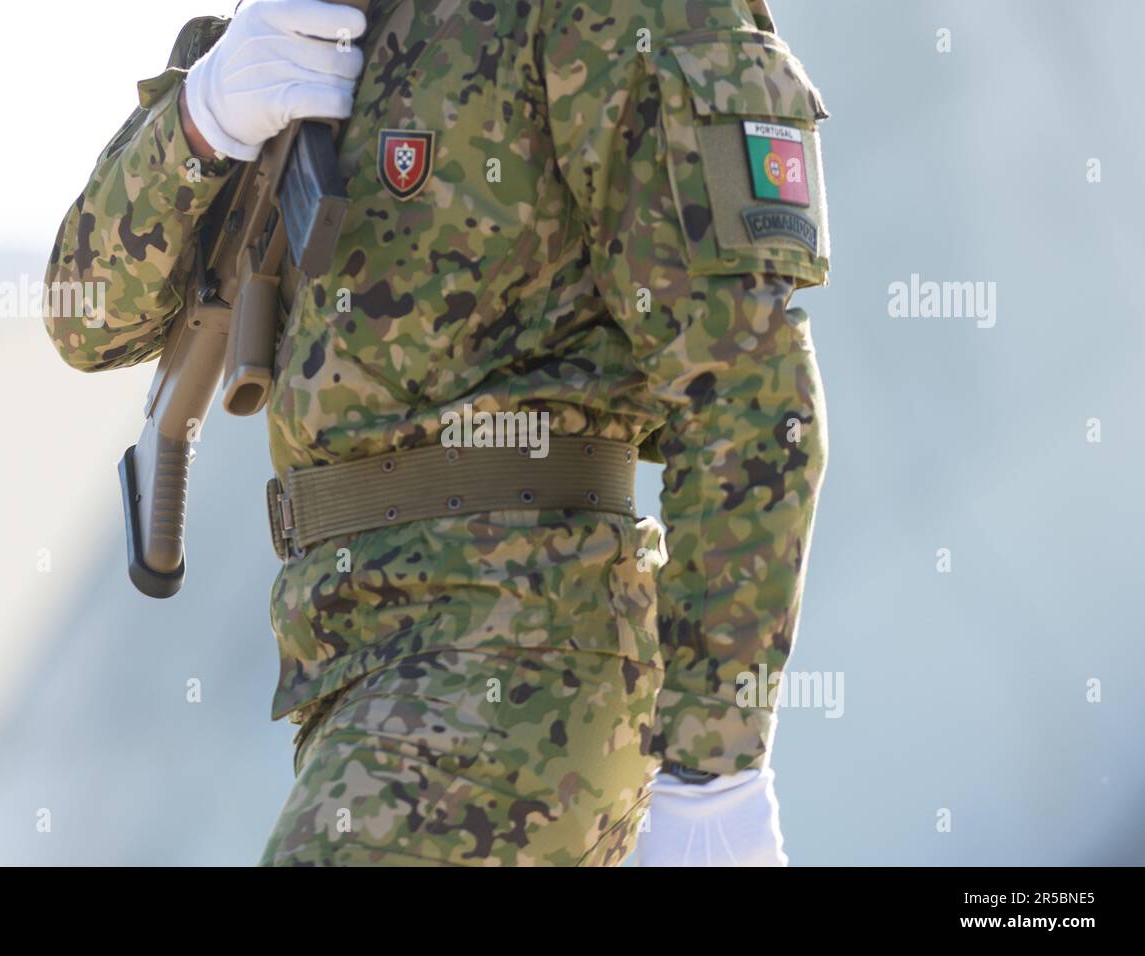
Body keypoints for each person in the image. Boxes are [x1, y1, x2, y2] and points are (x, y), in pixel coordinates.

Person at [42, 0, 831, 866]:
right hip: (349, 662)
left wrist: (715, 778)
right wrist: (202, 120)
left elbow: (753, 391)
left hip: (520, 650)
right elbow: (89, 318)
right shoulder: (304, 13)